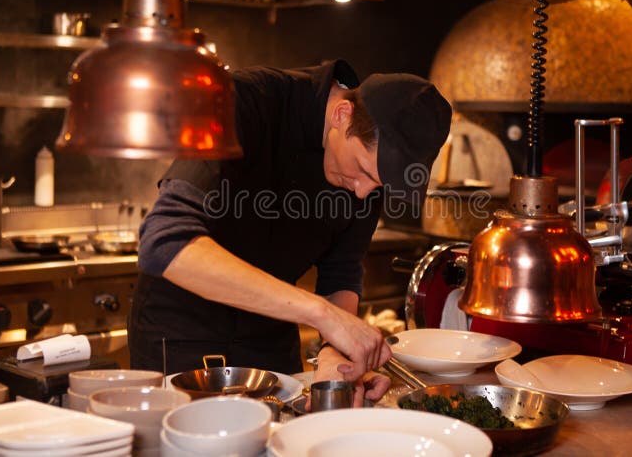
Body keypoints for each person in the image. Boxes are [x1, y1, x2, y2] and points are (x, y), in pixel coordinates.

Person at [129, 59, 452, 405]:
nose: (362, 193)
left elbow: (341, 271)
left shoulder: (369, 175)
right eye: (361, 169)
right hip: (181, 337)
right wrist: (323, 316)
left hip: (272, 344)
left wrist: (333, 355)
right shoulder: (245, 101)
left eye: (377, 185)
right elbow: (164, 241)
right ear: (342, 115)